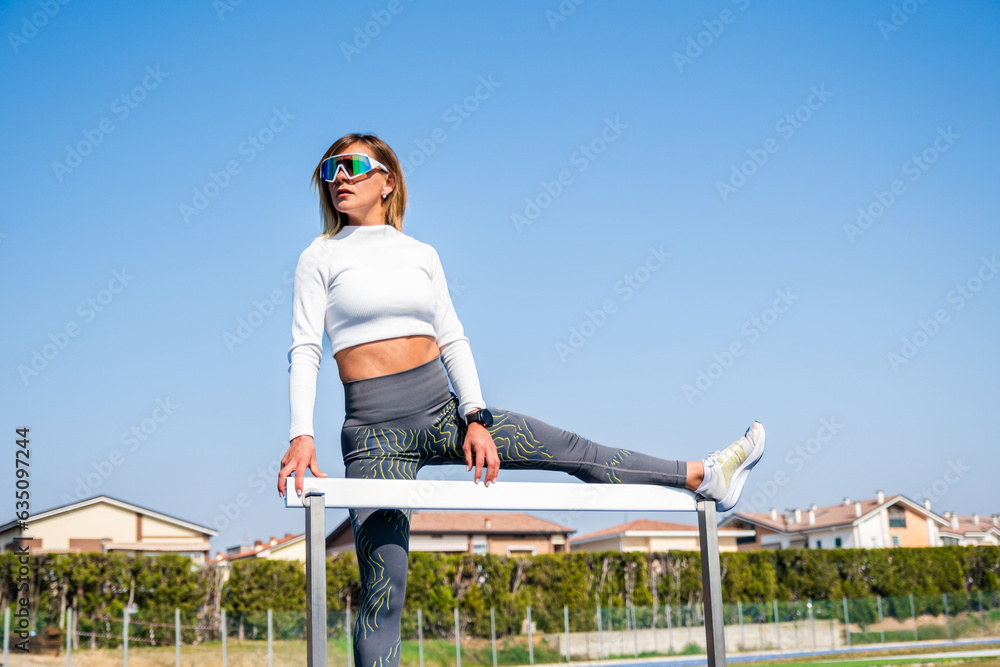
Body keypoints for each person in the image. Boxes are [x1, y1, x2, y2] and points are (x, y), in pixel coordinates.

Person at [277, 133, 765, 667]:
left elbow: (453, 339)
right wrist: (302, 435)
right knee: (383, 593)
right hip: (374, 437)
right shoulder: (318, 257)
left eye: (351, 165)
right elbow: (305, 349)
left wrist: (475, 417)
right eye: (329, 171)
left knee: (573, 449)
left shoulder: (421, 255)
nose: (339, 177)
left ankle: (701, 475)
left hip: (444, 412)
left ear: (387, 180)